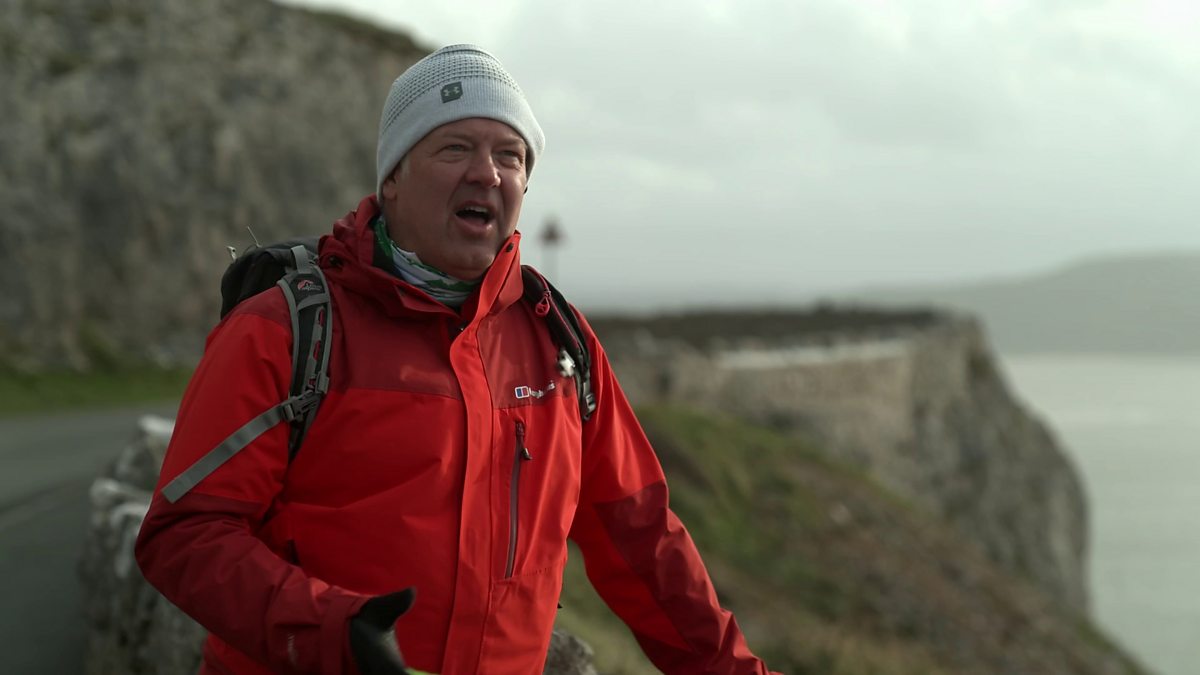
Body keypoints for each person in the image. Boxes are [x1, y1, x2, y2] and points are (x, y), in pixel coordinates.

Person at [136, 44, 779, 675]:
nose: (487, 174)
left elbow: (643, 542)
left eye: (510, 155)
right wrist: (330, 632)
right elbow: (185, 532)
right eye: (455, 148)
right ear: (392, 177)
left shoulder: (560, 342)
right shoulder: (286, 328)